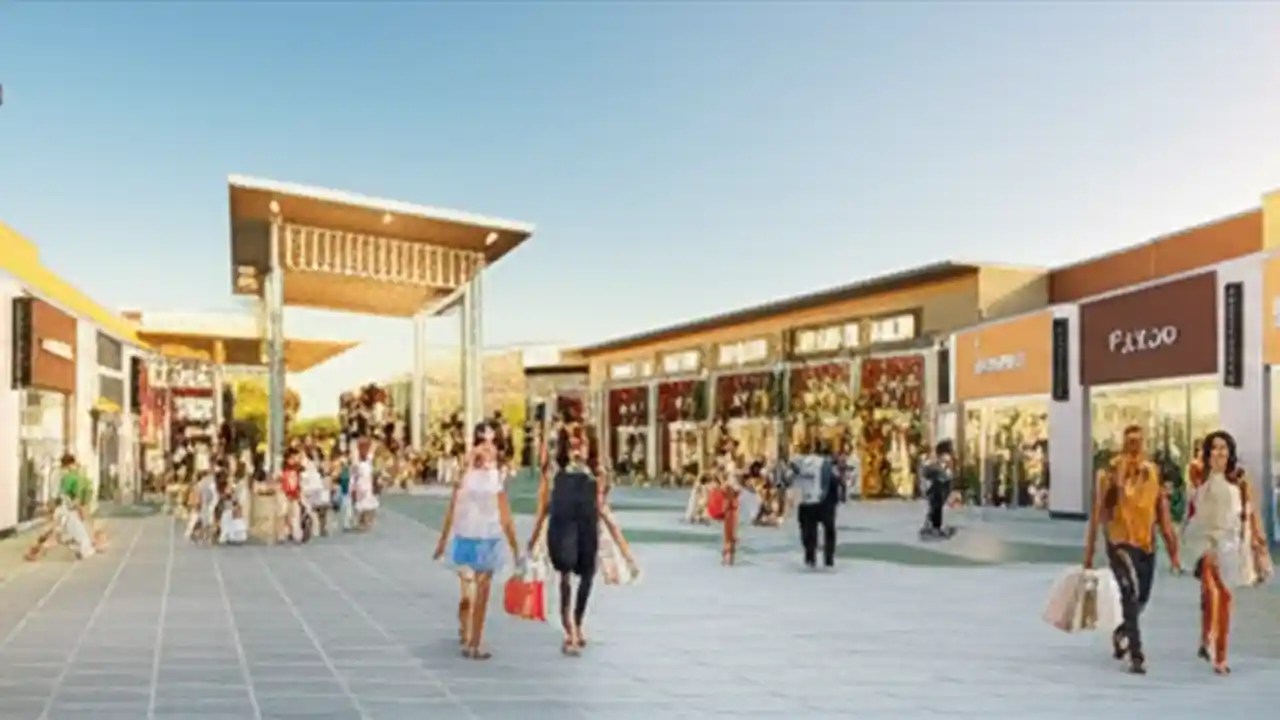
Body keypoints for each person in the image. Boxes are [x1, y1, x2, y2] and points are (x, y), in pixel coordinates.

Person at [1082, 425, 1182, 675]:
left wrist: (1173, 552)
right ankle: (1136, 653)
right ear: (1123, 443)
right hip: (1119, 542)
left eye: (1139, 441)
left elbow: (1163, 514)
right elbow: (1098, 513)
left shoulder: (1152, 473)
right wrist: (1089, 553)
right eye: (1130, 441)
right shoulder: (1109, 473)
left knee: (1142, 598)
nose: (1135, 446)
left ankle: (1122, 631)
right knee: (1129, 591)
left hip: (1146, 544)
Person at [433, 421, 520, 660]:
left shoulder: (493, 477)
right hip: (468, 536)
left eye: (491, 443)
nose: (487, 449)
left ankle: (474, 639)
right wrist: (443, 540)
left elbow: (505, 515)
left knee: (481, 590)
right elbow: (453, 506)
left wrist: (514, 545)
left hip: (487, 537)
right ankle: (469, 633)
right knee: (470, 593)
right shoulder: (467, 476)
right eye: (483, 443)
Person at [1182, 431, 1267, 674]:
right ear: (1207, 453)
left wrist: (1258, 542)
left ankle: (1218, 650)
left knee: (1224, 597)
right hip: (1204, 539)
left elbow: (1249, 512)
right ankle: (1212, 645)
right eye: (1214, 448)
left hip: (1230, 540)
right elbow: (1191, 508)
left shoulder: (1239, 480)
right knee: (1212, 589)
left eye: (1223, 448)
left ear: (1230, 452)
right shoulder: (1198, 475)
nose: (1219, 453)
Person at [528, 426, 601, 656]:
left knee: (588, 574)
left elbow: (602, 505)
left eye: (582, 444)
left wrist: (621, 547)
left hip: (587, 527)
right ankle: (569, 629)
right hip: (563, 526)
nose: (578, 450)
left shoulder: (597, 473)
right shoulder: (554, 472)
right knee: (566, 573)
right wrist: (534, 536)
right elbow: (544, 505)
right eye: (572, 445)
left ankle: (578, 621)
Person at [25, 454, 98, 561]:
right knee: (55, 535)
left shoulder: (58, 475)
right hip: (66, 511)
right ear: (71, 464)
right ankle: (36, 553)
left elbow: (56, 495)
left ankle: (35, 551)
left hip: (60, 509)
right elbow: (74, 498)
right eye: (74, 464)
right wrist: (80, 511)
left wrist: (51, 508)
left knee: (52, 533)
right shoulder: (72, 478)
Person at [791, 442, 844, 569]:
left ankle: (810, 556)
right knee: (829, 529)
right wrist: (836, 499)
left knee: (809, 529)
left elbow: (793, 480)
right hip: (826, 503)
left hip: (807, 502)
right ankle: (829, 558)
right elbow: (835, 482)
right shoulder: (827, 465)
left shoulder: (801, 463)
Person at [919, 441, 957, 539]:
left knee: (936, 508)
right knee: (936, 507)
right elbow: (928, 473)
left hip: (941, 489)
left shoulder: (944, 465)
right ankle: (934, 527)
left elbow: (948, 477)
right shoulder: (935, 465)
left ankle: (931, 525)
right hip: (937, 490)